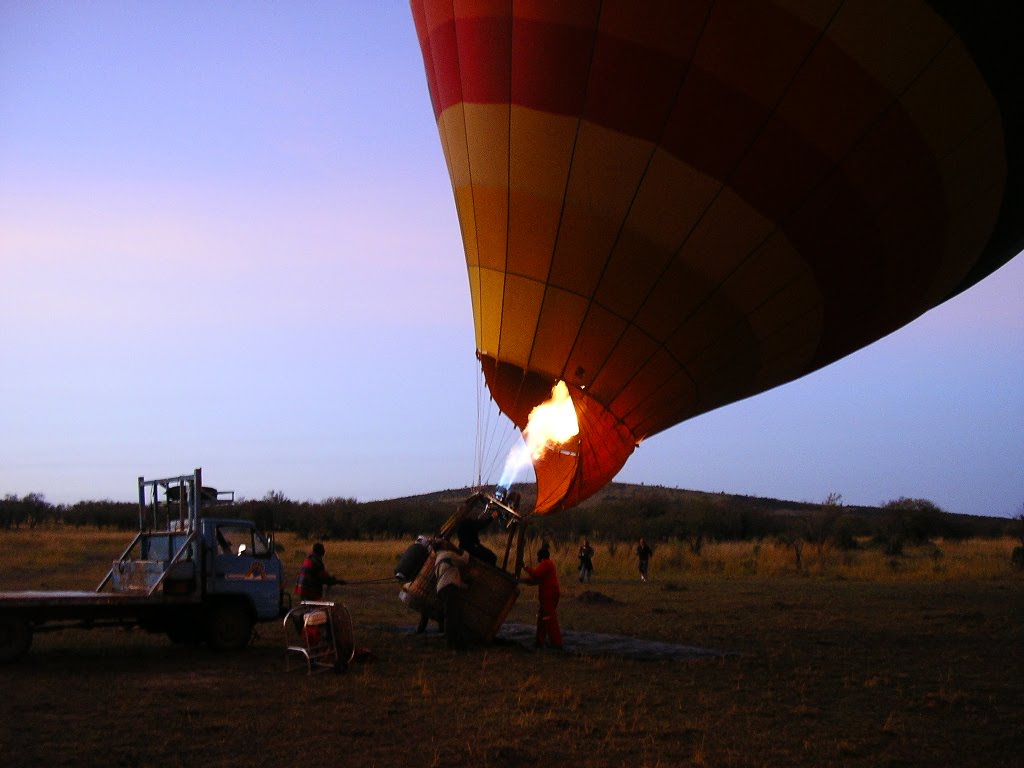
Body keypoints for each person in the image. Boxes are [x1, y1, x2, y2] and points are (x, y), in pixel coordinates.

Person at [521, 545, 562, 650]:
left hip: (549, 595)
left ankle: (556, 643)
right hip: (547, 595)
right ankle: (540, 640)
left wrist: (526, 568)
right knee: (542, 618)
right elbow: (536, 579)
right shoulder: (548, 564)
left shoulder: (546, 563)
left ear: (541, 556)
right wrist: (522, 580)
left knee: (549, 618)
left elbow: (536, 575)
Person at [433, 541, 470, 650]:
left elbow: (451, 575)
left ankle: (455, 643)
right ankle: (452, 644)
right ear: (443, 546)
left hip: (443, 588)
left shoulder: (439, 558)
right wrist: (458, 549)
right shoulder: (448, 554)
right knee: (452, 616)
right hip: (448, 588)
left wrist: (465, 586)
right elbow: (465, 560)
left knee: (453, 615)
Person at [456, 498, 499, 566]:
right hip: (471, 548)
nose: (470, 511)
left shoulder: (461, 521)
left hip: (466, 547)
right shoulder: (466, 522)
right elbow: (480, 525)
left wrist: (482, 517)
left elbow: (475, 524)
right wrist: (492, 517)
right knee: (492, 557)